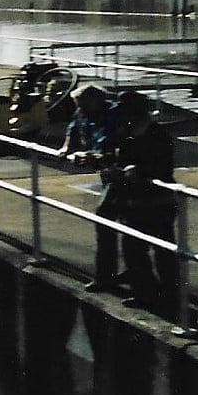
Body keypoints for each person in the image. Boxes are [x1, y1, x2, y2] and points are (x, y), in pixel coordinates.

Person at [107, 90, 177, 313]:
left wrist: (139, 170)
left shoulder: (158, 135)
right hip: (134, 200)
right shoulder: (127, 133)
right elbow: (120, 160)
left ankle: (169, 296)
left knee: (163, 251)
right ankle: (146, 293)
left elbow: (164, 168)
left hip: (157, 201)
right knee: (133, 249)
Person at [56, 84, 123, 292]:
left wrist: (90, 156)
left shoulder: (114, 114)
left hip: (120, 172)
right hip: (106, 171)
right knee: (122, 221)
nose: (80, 109)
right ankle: (125, 272)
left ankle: (106, 276)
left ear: (96, 101)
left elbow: (112, 143)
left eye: (83, 105)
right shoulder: (83, 112)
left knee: (105, 217)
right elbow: (74, 129)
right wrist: (66, 149)